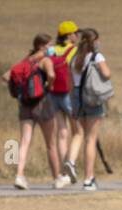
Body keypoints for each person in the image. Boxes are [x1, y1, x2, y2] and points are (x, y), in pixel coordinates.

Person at [2, 35, 63, 190]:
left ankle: (20, 175)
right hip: (43, 103)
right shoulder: (45, 60)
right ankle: (57, 178)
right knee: (50, 144)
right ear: (42, 46)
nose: (52, 48)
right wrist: (48, 86)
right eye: (49, 45)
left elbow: (6, 76)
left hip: (25, 104)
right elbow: (51, 75)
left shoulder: (26, 61)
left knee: (24, 142)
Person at [69, 28, 110, 191]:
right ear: (94, 41)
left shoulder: (74, 58)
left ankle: (71, 163)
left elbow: (71, 82)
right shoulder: (96, 56)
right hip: (92, 96)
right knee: (91, 139)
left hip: (77, 96)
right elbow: (107, 74)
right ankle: (88, 178)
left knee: (80, 134)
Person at [48, 20, 79, 187]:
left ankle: (62, 173)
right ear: (69, 35)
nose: (77, 35)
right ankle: (70, 164)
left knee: (61, 133)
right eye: (75, 32)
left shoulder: (51, 50)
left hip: (53, 94)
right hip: (69, 94)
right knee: (78, 132)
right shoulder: (74, 50)